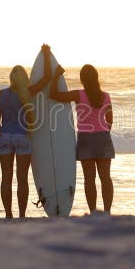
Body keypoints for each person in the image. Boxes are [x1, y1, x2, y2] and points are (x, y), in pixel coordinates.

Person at [0, 44, 53, 218]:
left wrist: (1, 135)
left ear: (11, 78)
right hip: (22, 137)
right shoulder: (28, 92)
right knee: (22, 178)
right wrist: (46, 54)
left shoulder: (0, 94)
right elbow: (47, 77)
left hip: (5, 136)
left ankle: (8, 214)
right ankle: (21, 214)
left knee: (6, 178)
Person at [49, 62, 115, 214]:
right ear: (96, 78)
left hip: (85, 139)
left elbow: (53, 95)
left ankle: (93, 212)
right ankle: (107, 212)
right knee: (105, 178)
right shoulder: (105, 96)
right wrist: (103, 132)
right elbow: (110, 119)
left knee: (89, 179)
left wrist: (56, 75)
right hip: (103, 137)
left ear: (82, 79)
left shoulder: (79, 95)